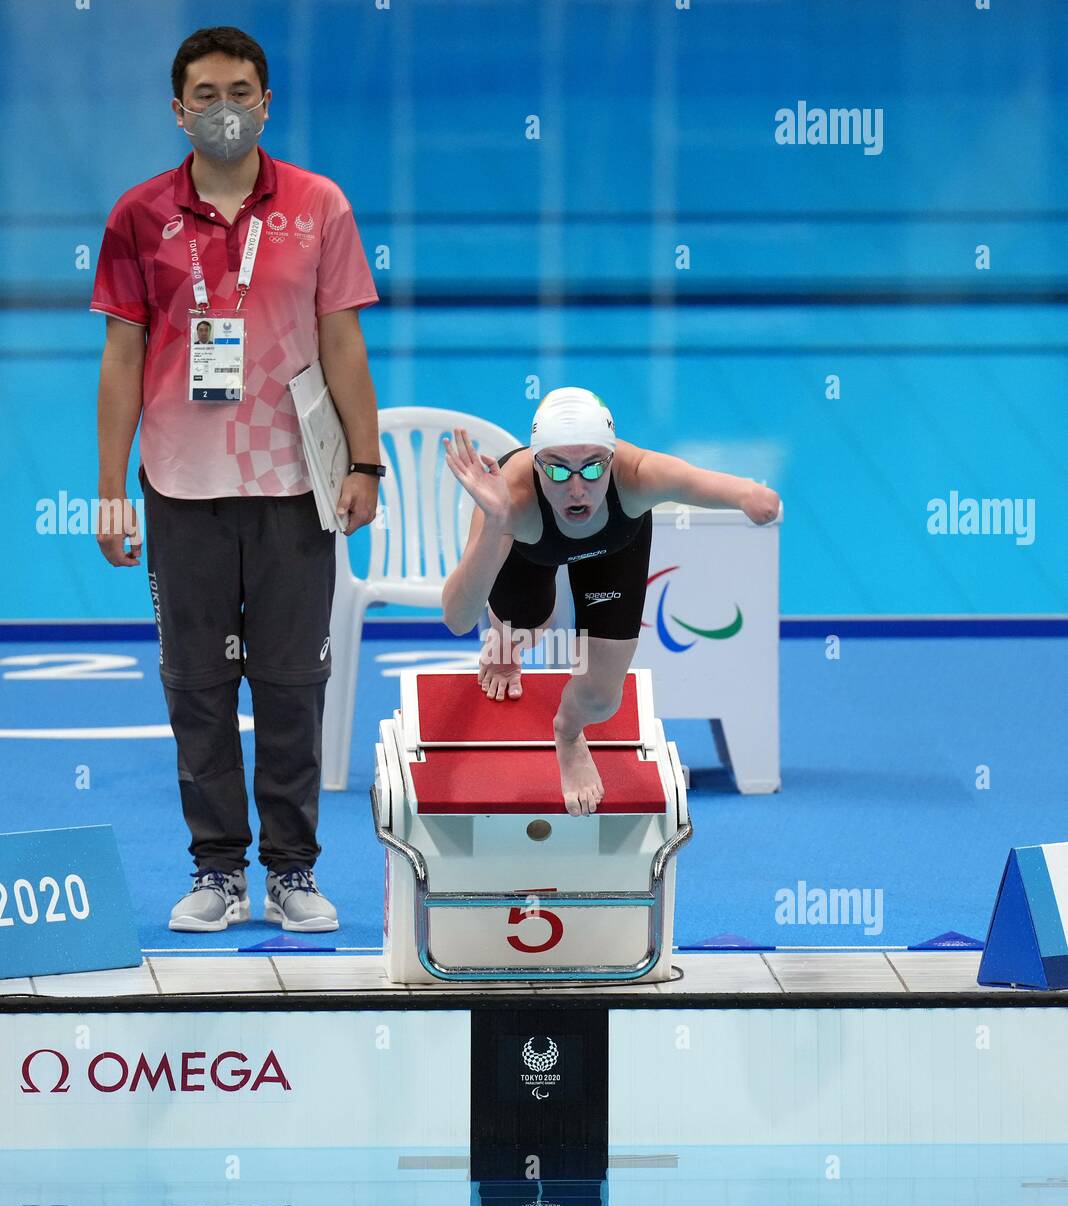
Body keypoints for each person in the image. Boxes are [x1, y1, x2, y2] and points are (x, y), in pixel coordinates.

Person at [91, 26, 383, 931]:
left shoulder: (319, 204)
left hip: (297, 485)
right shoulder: (139, 216)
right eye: (207, 94)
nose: (226, 108)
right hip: (181, 487)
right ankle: (216, 870)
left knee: (294, 683)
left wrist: (366, 462)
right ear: (179, 111)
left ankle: (293, 870)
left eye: (241, 90)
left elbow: (342, 340)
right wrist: (110, 489)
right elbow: (121, 356)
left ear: (268, 102)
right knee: (197, 687)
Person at [442, 386, 780, 816]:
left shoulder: (637, 476)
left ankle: (568, 732)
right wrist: (494, 525)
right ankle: (508, 645)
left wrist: (751, 496)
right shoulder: (510, 499)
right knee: (523, 627)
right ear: (537, 462)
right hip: (532, 546)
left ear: (613, 458)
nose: (577, 489)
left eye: (593, 468)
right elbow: (456, 618)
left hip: (615, 550)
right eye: (559, 472)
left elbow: (709, 484)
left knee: (603, 699)